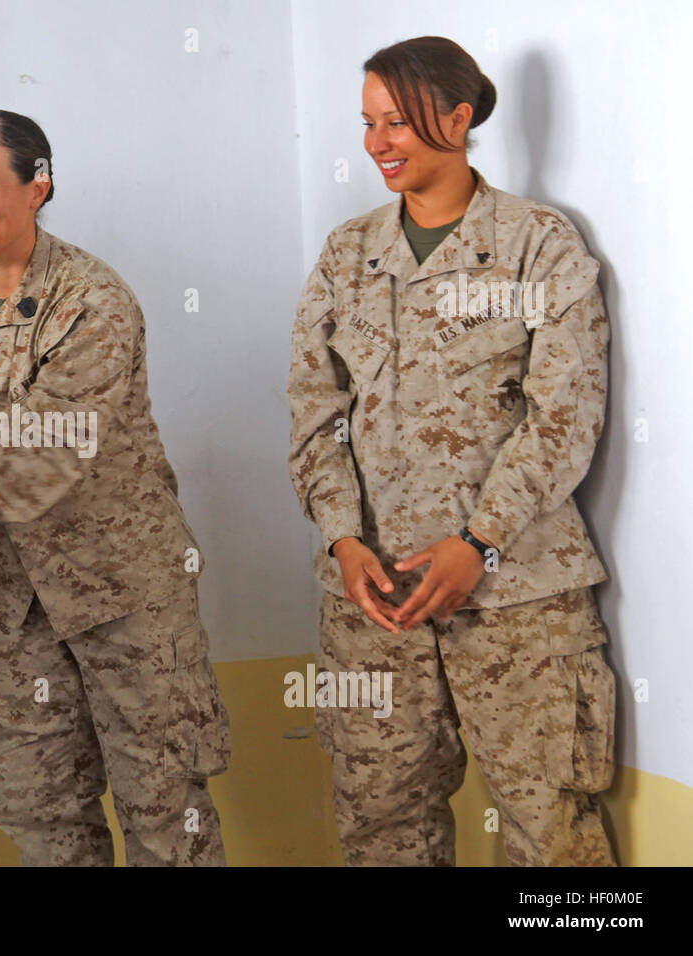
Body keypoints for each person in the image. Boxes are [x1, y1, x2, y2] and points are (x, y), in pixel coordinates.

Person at [0, 110, 229, 866]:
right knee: (42, 817)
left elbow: (47, 455)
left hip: (125, 598)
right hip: (10, 611)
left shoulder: (95, 300)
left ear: (39, 186)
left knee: (165, 817)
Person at [287, 36, 616, 866]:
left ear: (459, 117)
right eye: (368, 123)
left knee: (552, 841)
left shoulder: (540, 245)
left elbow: (563, 418)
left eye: (397, 122)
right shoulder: (345, 255)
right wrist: (342, 539)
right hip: (375, 608)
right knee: (380, 835)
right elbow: (312, 415)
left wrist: (480, 545)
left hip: (521, 605)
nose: (377, 143)